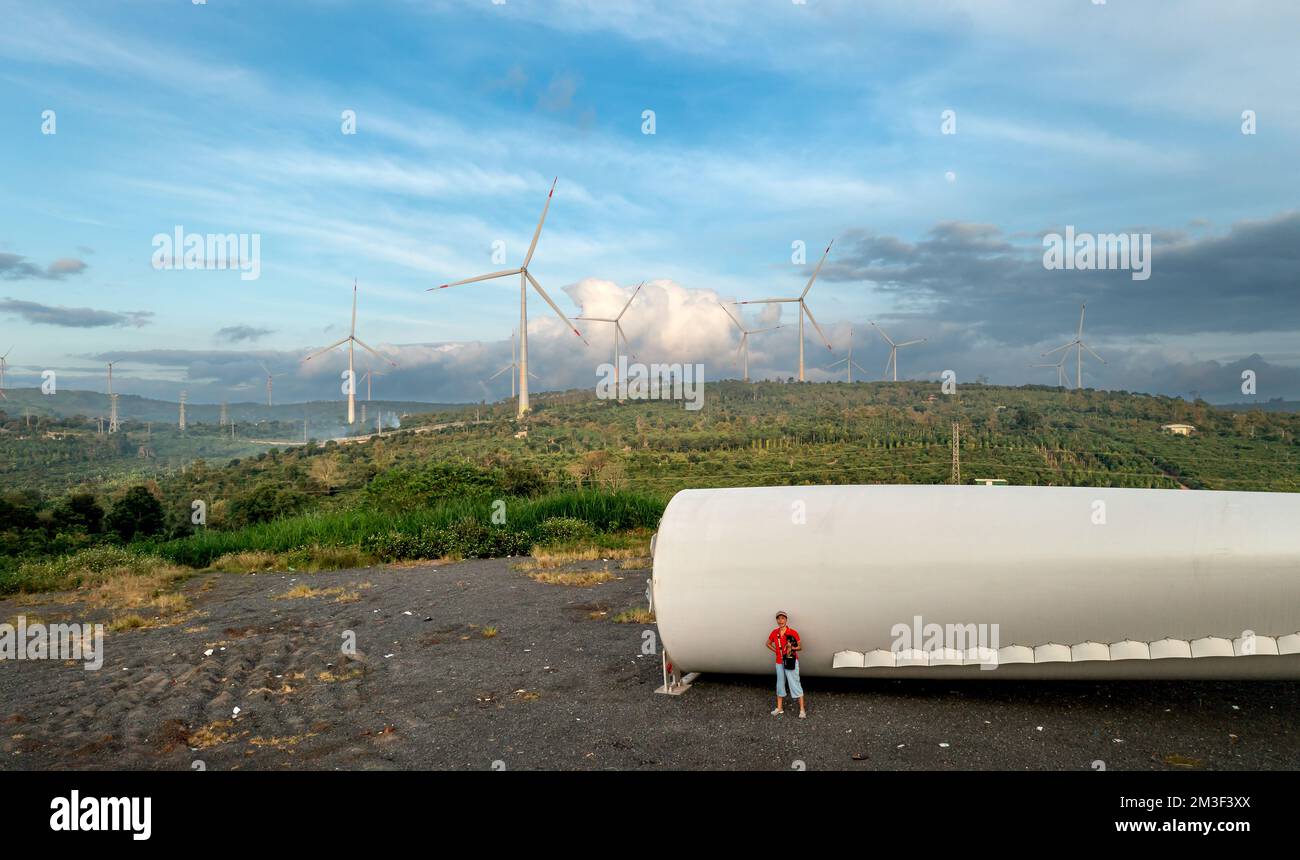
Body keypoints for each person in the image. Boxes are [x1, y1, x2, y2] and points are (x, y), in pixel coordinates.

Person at [766, 611, 806, 718]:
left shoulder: (793, 632)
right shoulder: (774, 632)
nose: (780, 621)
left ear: (786, 620)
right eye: (778, 619)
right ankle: (779, 708)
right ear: (777, 620)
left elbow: (800, 647)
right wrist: (776, 651)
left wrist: (791, 648)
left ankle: (802, 710)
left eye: (783, 618)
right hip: (779, 661)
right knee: (780, 683)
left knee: (795, 683)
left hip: (791, 660)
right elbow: (767, 644)